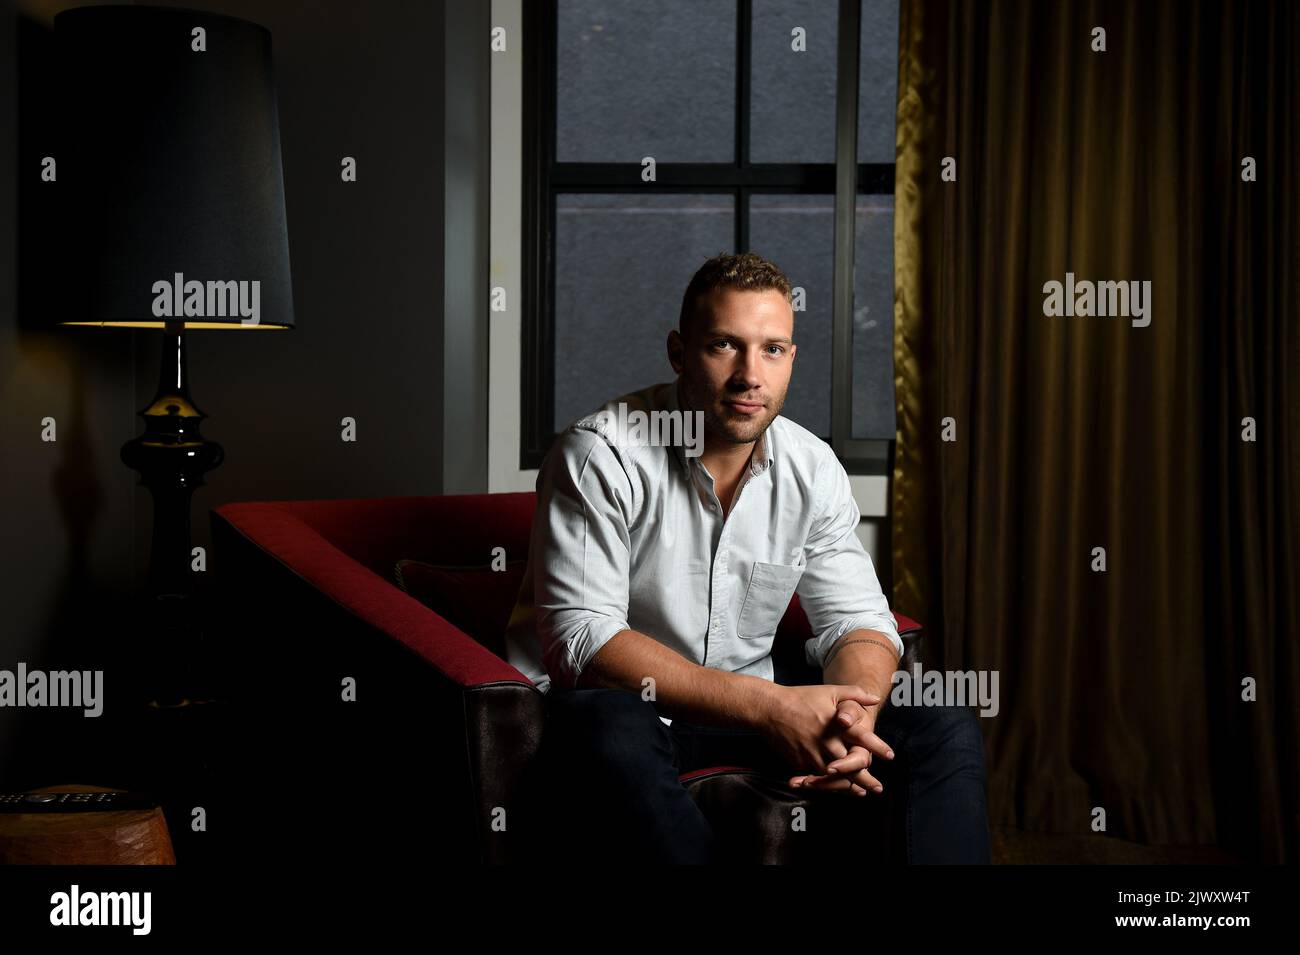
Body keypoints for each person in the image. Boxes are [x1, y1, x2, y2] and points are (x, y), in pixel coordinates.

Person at [504, 252, 990, 863]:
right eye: (724, 346)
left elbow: (859, 619)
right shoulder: (602, 453)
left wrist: (853, 717)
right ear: (679, 353)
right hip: (626, 710)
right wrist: (772, 707)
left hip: (751, 708)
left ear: (791, 359)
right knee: (611, 728)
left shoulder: (811, 466)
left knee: (939, 717)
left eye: (773, 350)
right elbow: (586, 640)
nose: (749, 376)